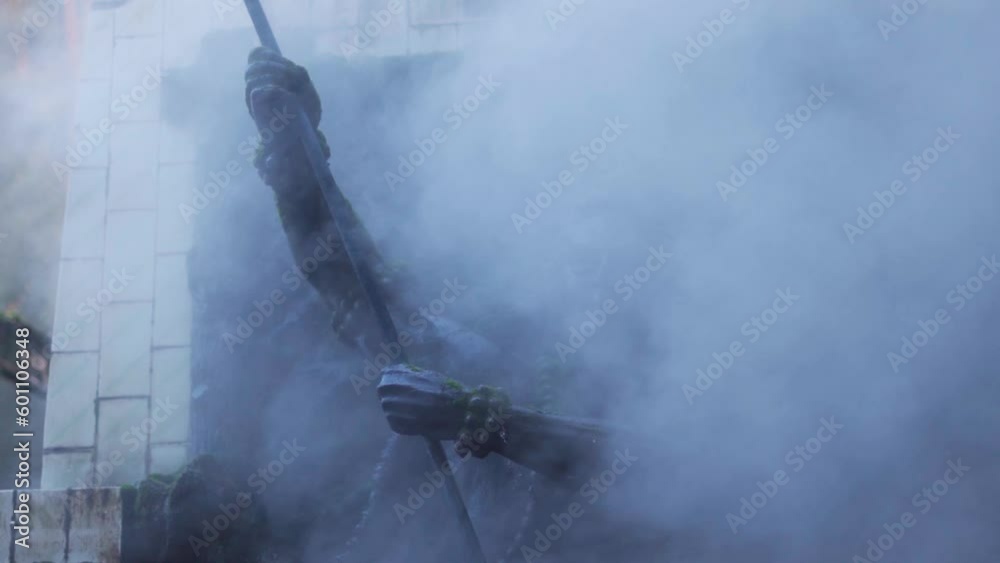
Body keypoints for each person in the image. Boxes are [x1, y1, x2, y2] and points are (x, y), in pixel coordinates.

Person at [244, 47, 659, 562]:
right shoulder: (503, 340)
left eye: (607, 223)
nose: (584, 246)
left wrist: (481, 421)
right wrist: (297, 157)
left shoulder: (672, 346)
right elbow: (365, 295)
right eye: (575, 222)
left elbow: (668, 467)